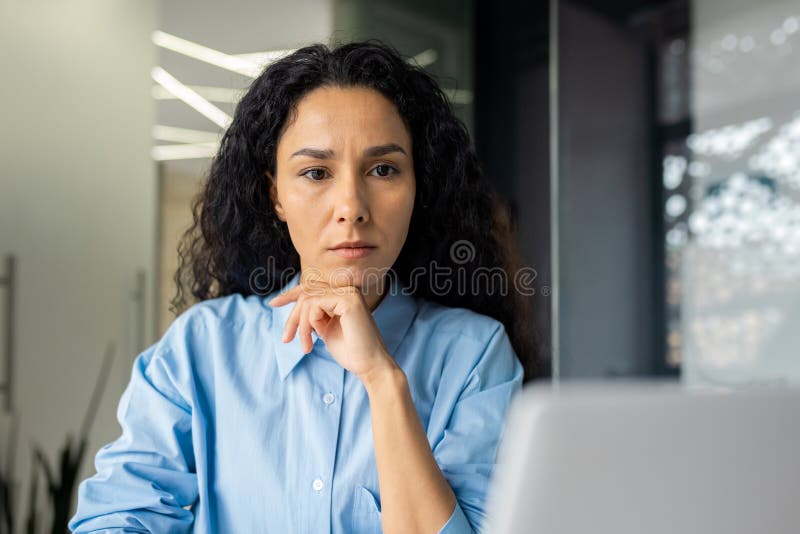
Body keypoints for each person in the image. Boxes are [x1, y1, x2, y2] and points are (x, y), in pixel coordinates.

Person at [69, 39, 539, 533]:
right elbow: (116, 520)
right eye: (316, 172)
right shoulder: (200, 348)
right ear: (276, 196)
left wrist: (382, 380)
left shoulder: (473, 355)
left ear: (417, 186)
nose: (351, 205)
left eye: (383, 169)